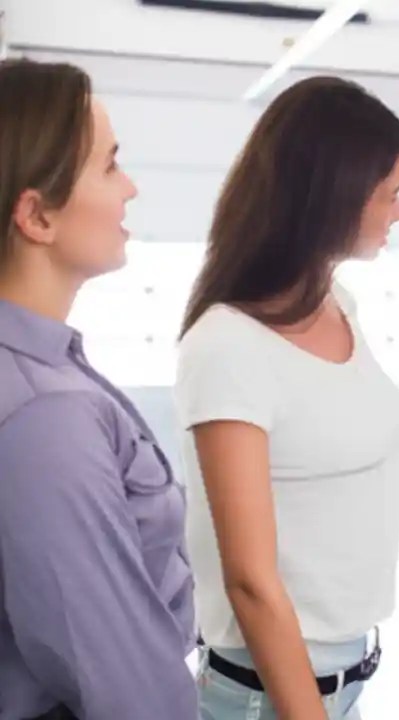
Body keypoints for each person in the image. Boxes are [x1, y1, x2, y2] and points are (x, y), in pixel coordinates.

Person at [175, 76, 399, 720]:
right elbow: (251, 581)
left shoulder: (338, 307)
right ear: (330, 198)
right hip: (265, 697)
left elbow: (366, 471)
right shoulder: (226, 346)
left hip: (343, 685)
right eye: (392, 194)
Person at [0, 59, 198, 719]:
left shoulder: (43, 369)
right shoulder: (46, 413)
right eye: (110, 166)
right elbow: (125, 688)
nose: (131, 188)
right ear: (37, 216)